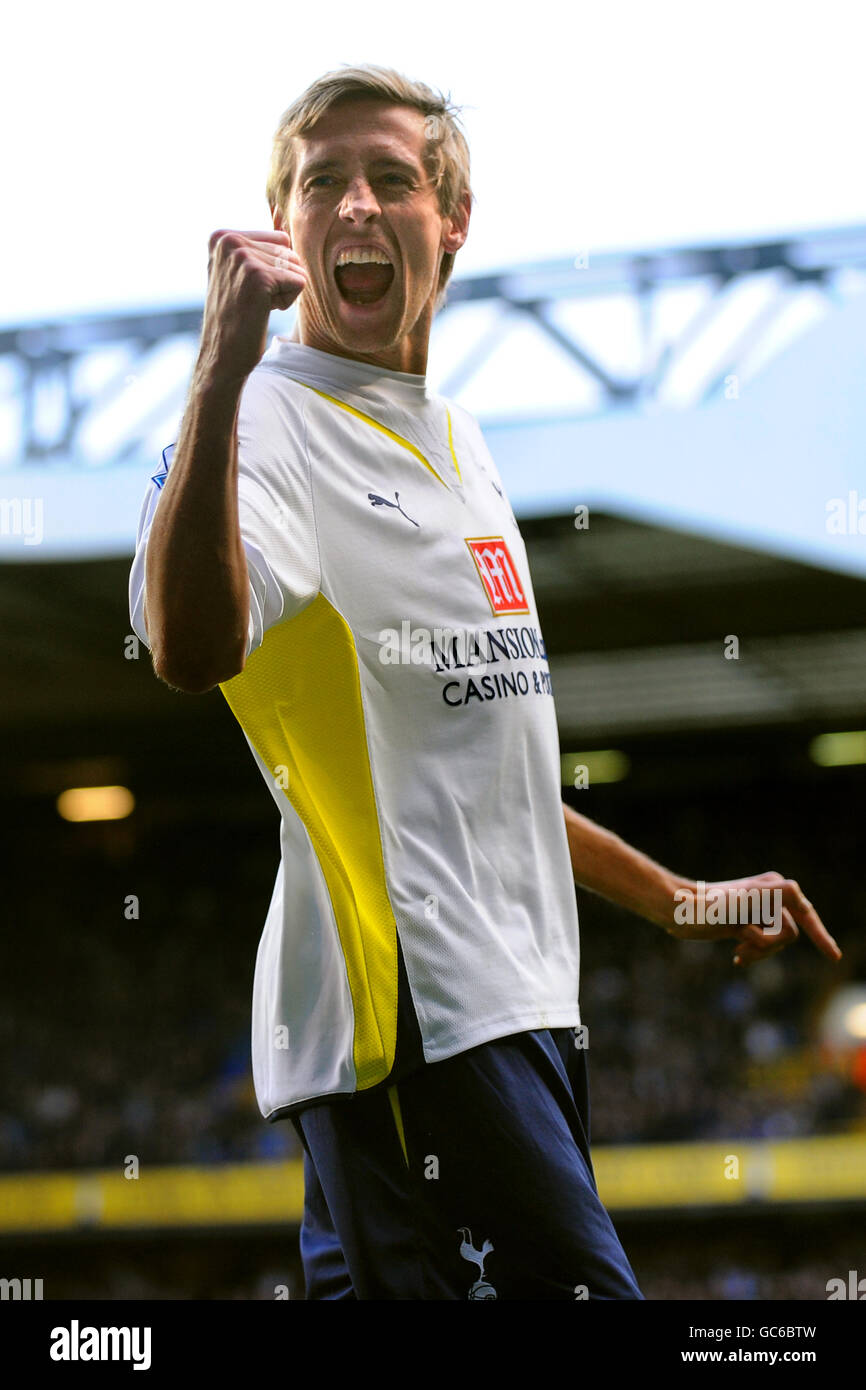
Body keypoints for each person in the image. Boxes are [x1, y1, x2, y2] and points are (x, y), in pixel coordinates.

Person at [128, 64, 841, 1300]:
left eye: (389, 179)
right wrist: (217, 368)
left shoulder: (458, 438)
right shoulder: (258, 427)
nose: (353, 205)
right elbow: (190, 652)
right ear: (283, 228)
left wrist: (675, 898)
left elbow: (478, 773)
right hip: (419, 1025)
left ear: (449, 219)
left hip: (507, 1011)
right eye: (319, 185)